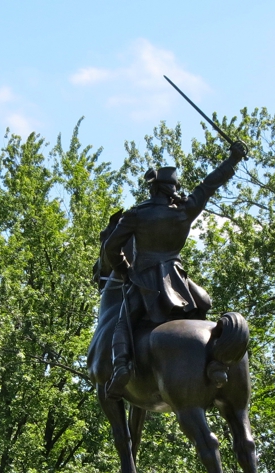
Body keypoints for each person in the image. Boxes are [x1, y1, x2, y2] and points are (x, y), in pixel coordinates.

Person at [102, 141, 248, 399]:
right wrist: (232, 160)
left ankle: (121, 367)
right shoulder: (185, 210)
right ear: (173, 189)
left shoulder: (136, 215)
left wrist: (125, 271)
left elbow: (111, 248)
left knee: (123, 322)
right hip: (178, 283)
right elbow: (209, 184)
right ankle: (213, 359)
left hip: (145, 280)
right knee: (203, 306)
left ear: (153, 189)